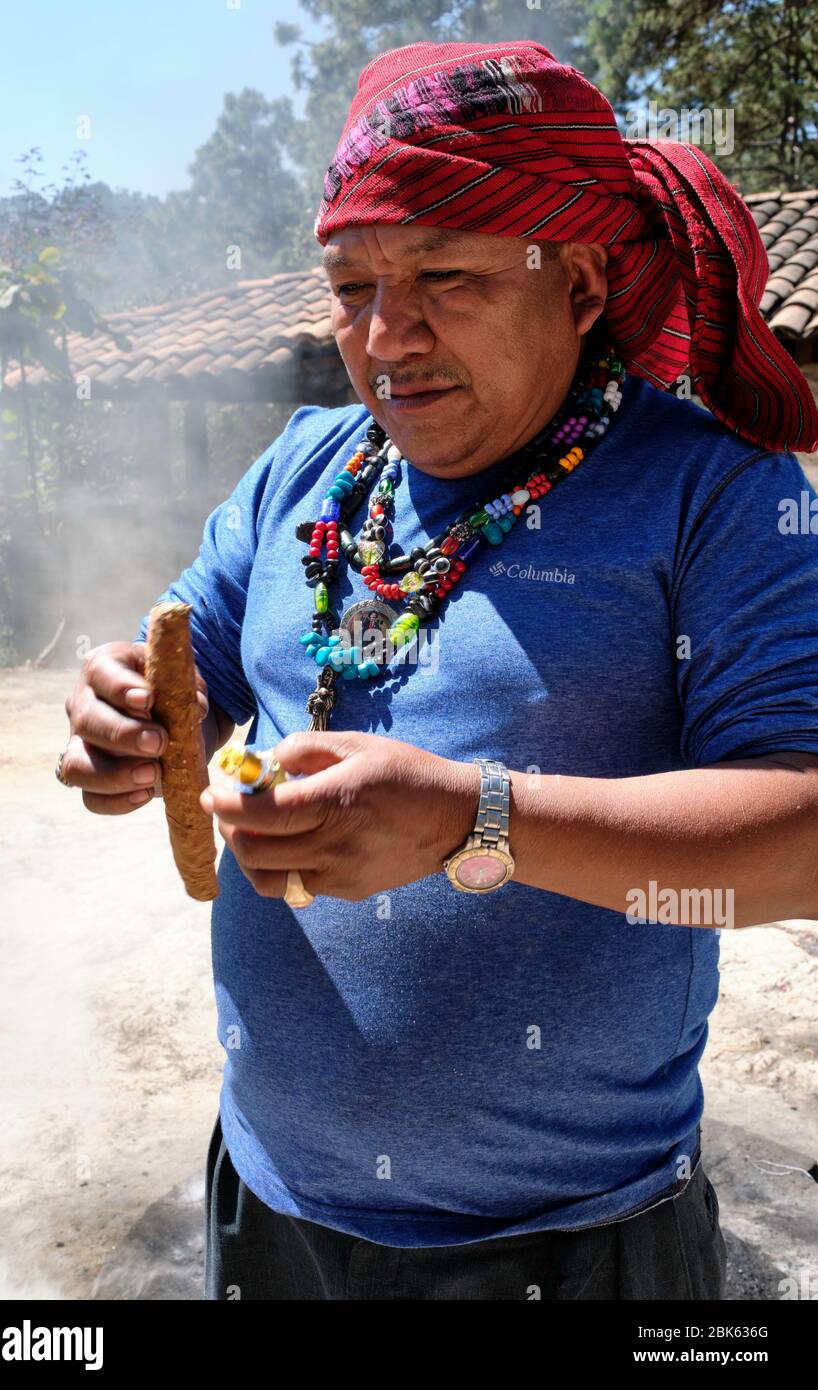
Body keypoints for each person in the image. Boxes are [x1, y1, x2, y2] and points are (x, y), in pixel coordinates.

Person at [59, 40, 818, 1300]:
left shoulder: (709, 490)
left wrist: (476, 819)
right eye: (350, 284)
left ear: (577, 280)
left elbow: (801, 839)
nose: (382, 336)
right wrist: (123, 718)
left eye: (445, 277)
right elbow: (190, 667)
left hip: (570, 1243)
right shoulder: (307, 470)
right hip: (271, 1211)